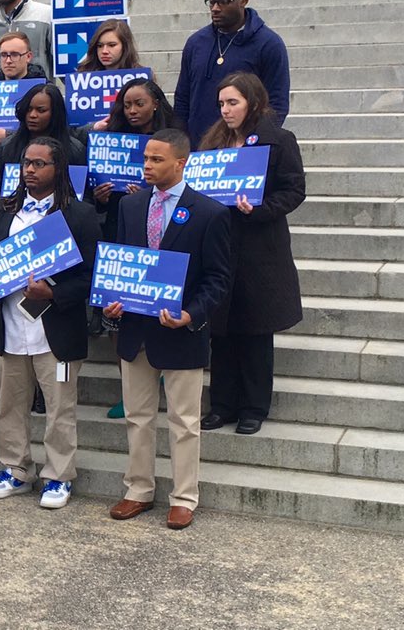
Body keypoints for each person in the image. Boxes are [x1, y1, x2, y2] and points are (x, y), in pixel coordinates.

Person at [103, 128, 231, 530]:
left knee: (184, 422)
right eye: (145, 159)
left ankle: (184, 497)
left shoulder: (210, 212)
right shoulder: (130, 205)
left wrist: (191, 314)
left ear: (182, 162)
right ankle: (138, 489)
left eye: (157, 160)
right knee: (138, 417)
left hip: (181, 332)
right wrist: (113, 299)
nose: (148, 166)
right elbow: (121, 264)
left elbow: (219, 279)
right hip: (137, 331)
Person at [0, 137, 101, 508]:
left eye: (40, 163)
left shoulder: (79, 215)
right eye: (27, 162)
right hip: (9, 330)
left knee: (60, 407)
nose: (30, 169)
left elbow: (91, 275)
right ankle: (13, 469)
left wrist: (54, 295)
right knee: (10, 405)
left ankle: (58, 476)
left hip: (56, 335)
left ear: (58, 169)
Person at [199, 72, 305, 435]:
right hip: (220, 245)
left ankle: (254, 407)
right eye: (222, 104)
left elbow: (294, 190)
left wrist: (259, 209)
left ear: (253, 103)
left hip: (260, 248)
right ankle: (222, 404)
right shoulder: (214, 142)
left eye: (233, 103)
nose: (225, 111)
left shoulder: (279, 140)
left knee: (255, 331)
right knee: (221, 330)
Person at [91, 79, 184, 417]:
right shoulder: (110, 139)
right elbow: (90, 196)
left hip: (165, 235)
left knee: (159, 307)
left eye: (139, 104)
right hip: (121, 231)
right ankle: (128, 389)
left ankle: (162, 377)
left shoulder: (174, 141)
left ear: (156, 104)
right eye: (126, 105)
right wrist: (101, 197)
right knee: (120, 312)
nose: (131, 111)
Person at [173, 0, 290, 148]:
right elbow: (182, 98)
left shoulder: (269, 44)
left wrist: (254, 143)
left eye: (224, 2)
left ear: (243, 0)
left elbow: (277, 103)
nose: (215, 8)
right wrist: (182, 141)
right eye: (211, 2)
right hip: (198, 150)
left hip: (245, 149)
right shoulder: (196, 43)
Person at [0, 31, 49, 215]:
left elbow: (50, 129)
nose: (8, 60)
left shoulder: (44, 91)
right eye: (3, 55)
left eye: (15, 55)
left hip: (34, 172)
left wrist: (8, 135)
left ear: (28, 57)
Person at [0, 82, 85, 209]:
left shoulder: (75, 150)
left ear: (55, 113)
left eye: (41, 110)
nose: (32, 115)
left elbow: (83, 199)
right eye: (28, 109)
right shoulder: (6, 148)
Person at [75, 19, 144, 73]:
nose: (104, 51)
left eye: (111, 45)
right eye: (100, 46)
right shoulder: (83, 77)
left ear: (125, 46)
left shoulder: (141, 76)